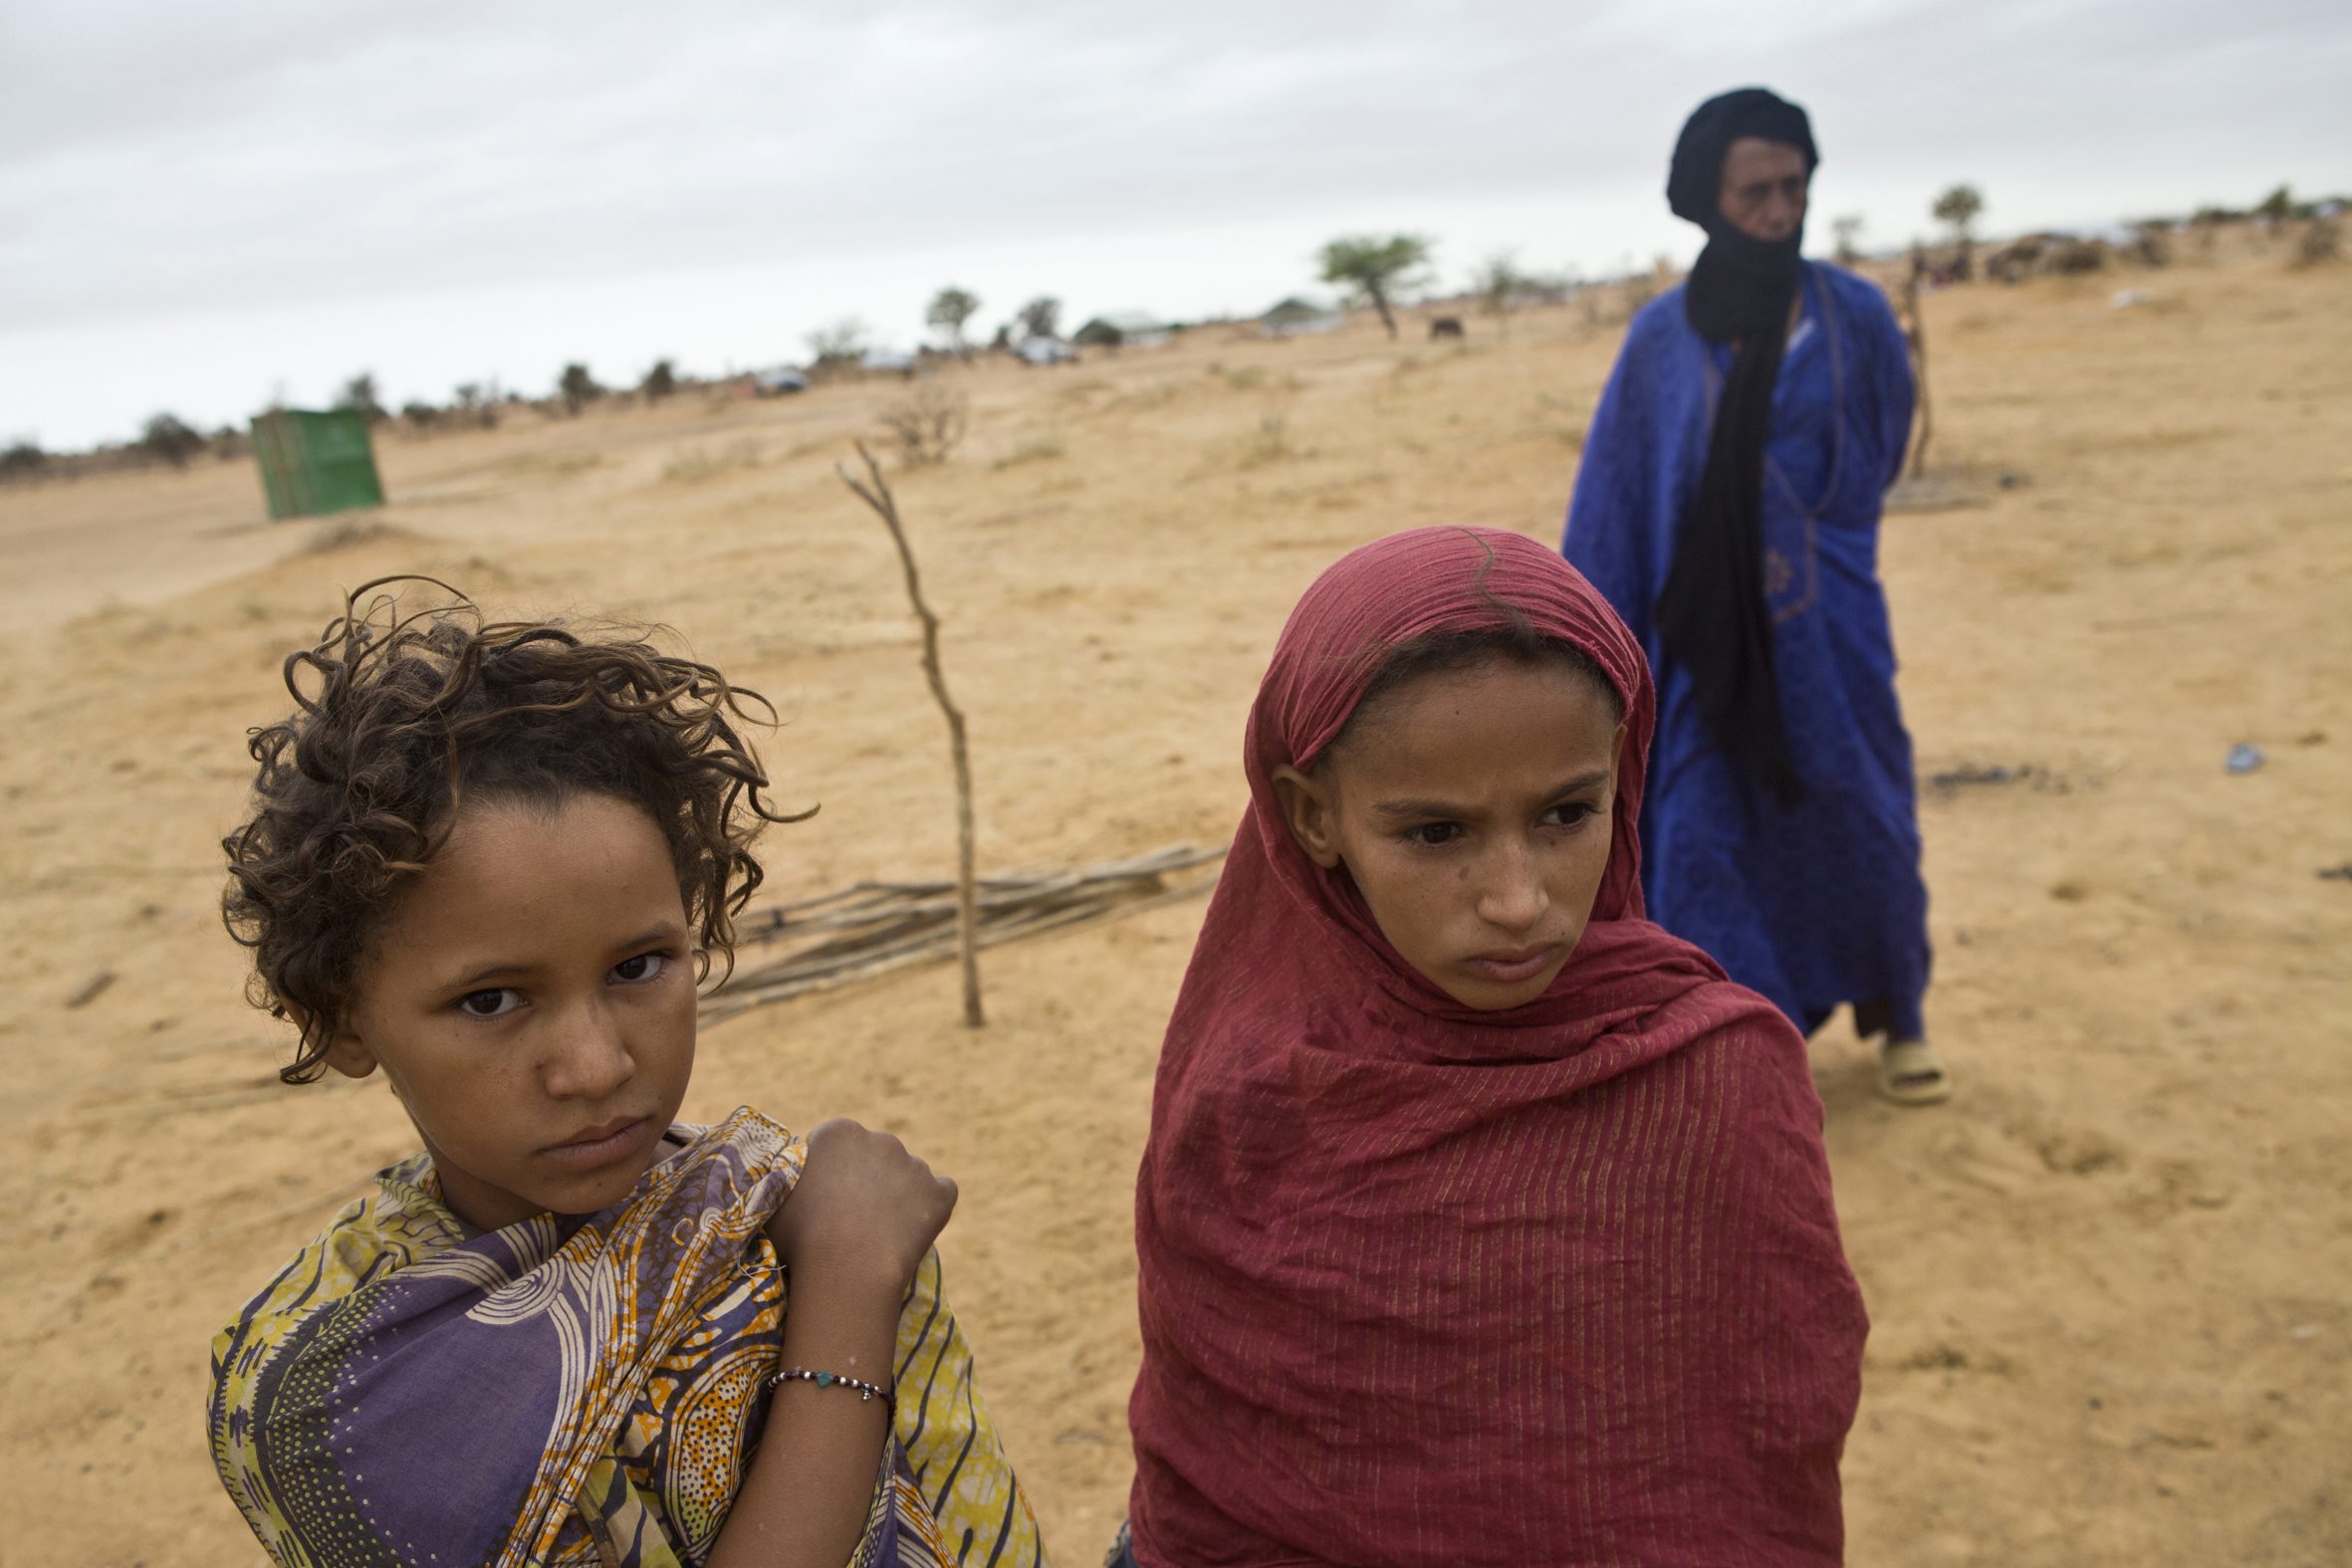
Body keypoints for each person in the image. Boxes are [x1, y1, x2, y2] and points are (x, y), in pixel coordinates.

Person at [207, 580, 1049, 1568]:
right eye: (491, 1001)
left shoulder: (767, 1216)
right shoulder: (340, 1389)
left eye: (636, 968)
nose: (598, 1066)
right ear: (342, 1021)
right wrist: (850, 1298)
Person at [1120, 528, 1867, 1567]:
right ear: (1312, 816)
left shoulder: (1716, 1084)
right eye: (1435, 834)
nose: (1517, 902)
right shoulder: (1247, 1092)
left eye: (1567, 813)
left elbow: (1753, 1459)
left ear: (1621, 776)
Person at [1563, 87, 1949, 1104]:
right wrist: (1596, 653)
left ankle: (1897, 1012)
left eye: (1793, 186)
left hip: (1832, 627)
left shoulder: (1852, 314)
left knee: (1862, 809)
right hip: (1703, 643)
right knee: (1704, 831)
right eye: (1755, 191)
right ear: (1706, 198)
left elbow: (1871, 454)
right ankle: (1743, 1050)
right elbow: (1616, 494)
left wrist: (1801, 545)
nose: (1779, 209)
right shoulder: (1661, 340)